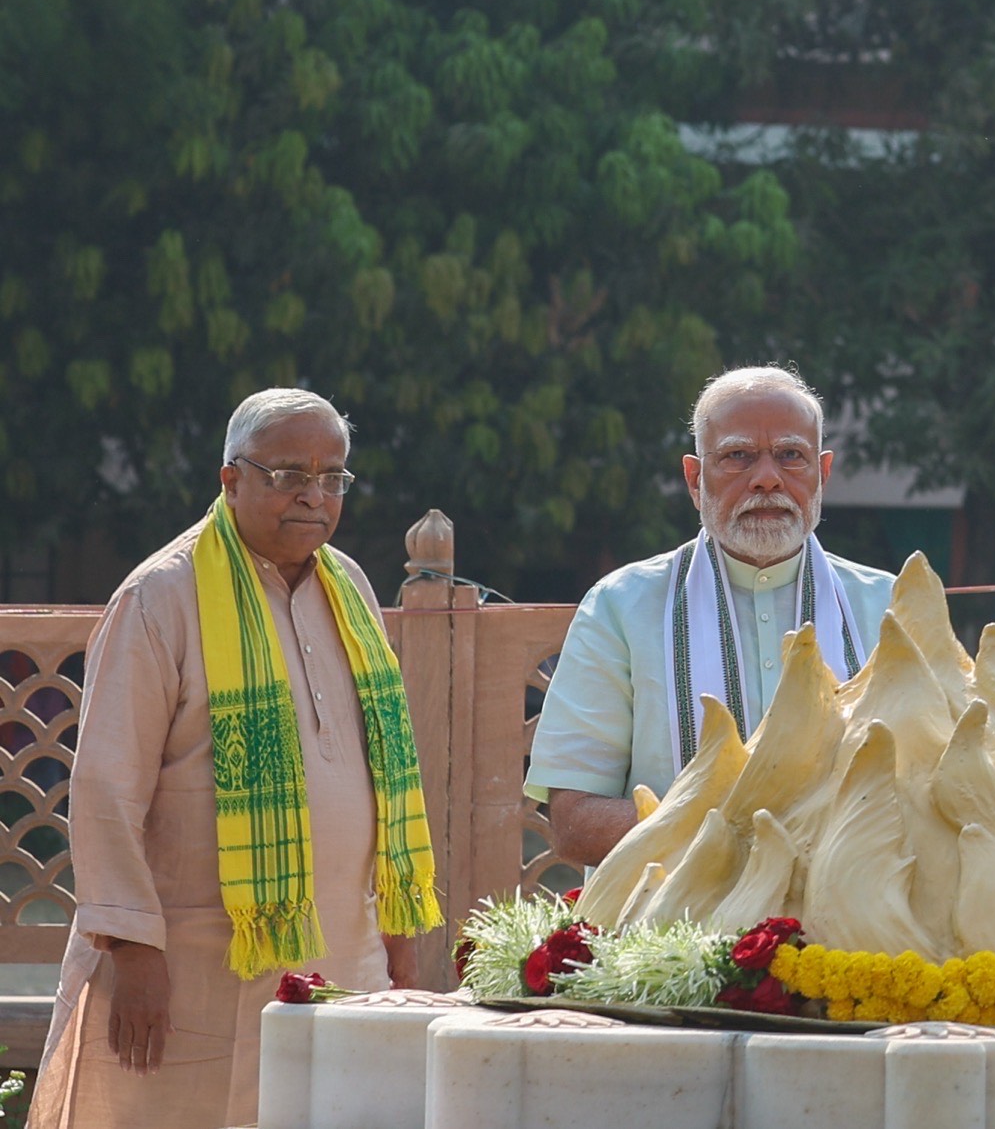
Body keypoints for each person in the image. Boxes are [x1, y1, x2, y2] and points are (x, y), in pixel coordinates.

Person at [33, 390, 439, 1129]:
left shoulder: (348, 586)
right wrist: (133, 952)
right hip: (190, 965)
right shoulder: (161, 597)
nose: (313, 497)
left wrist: (397, 934)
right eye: (286, 475)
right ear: (230, 480)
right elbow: (103, 791)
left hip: (343, 954)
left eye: (332, 478)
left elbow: (380, 774)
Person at [527, 365, 894, 862]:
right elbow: (573, 822)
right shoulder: (621, 606)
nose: (767, 479)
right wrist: (733, 827)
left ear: (822, 473)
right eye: (738, 457)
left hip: (849, 925)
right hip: (672, 930)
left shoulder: (888, 607)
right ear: (695, 478)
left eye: (790, 456)